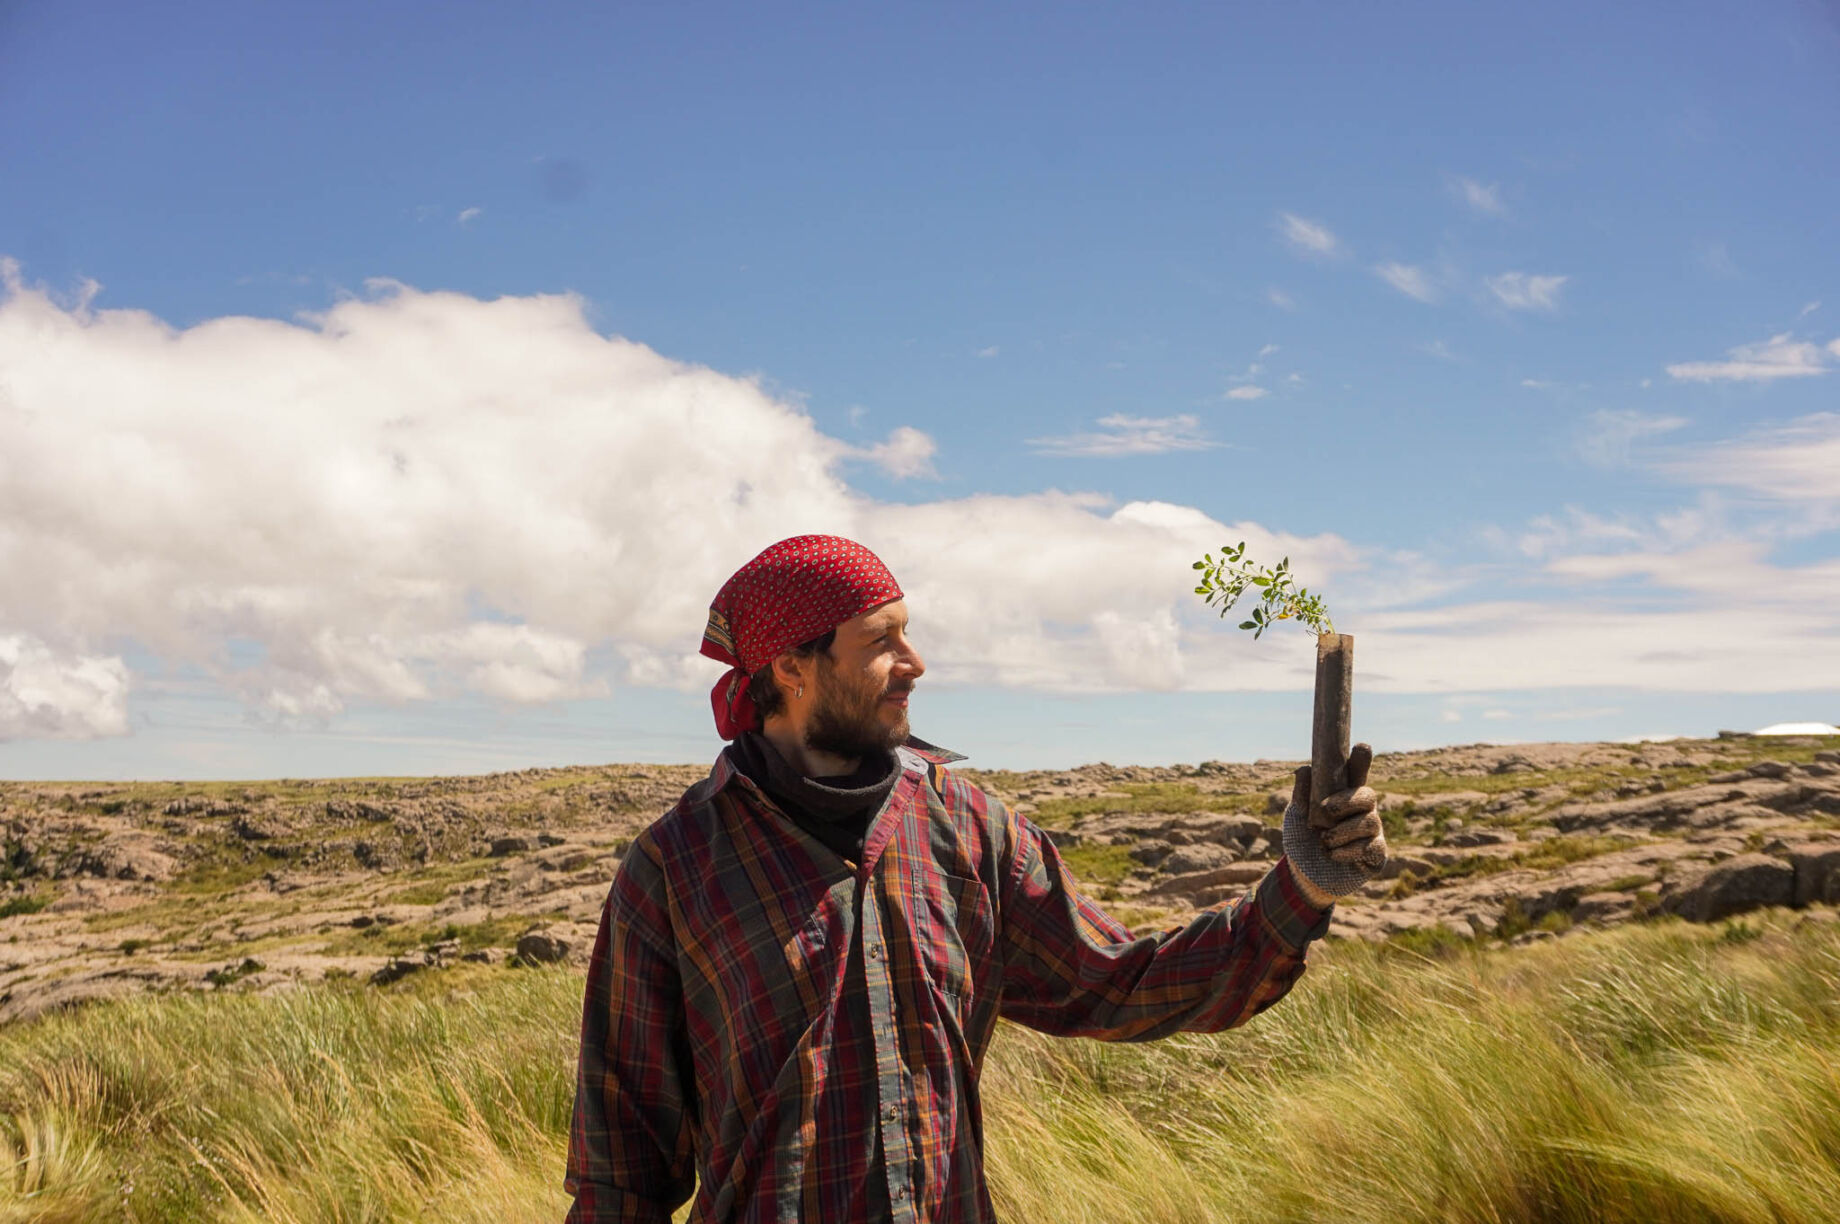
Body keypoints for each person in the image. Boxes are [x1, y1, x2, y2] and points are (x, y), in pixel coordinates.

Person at [564, 534, 1386, 1223]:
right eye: (881, 640)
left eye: (908, 633)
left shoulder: (969, 829)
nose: (915, 662)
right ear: (790, 667)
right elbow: (620, 1172)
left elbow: (1121, 984)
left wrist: (1303, 888)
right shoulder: (675, 868)